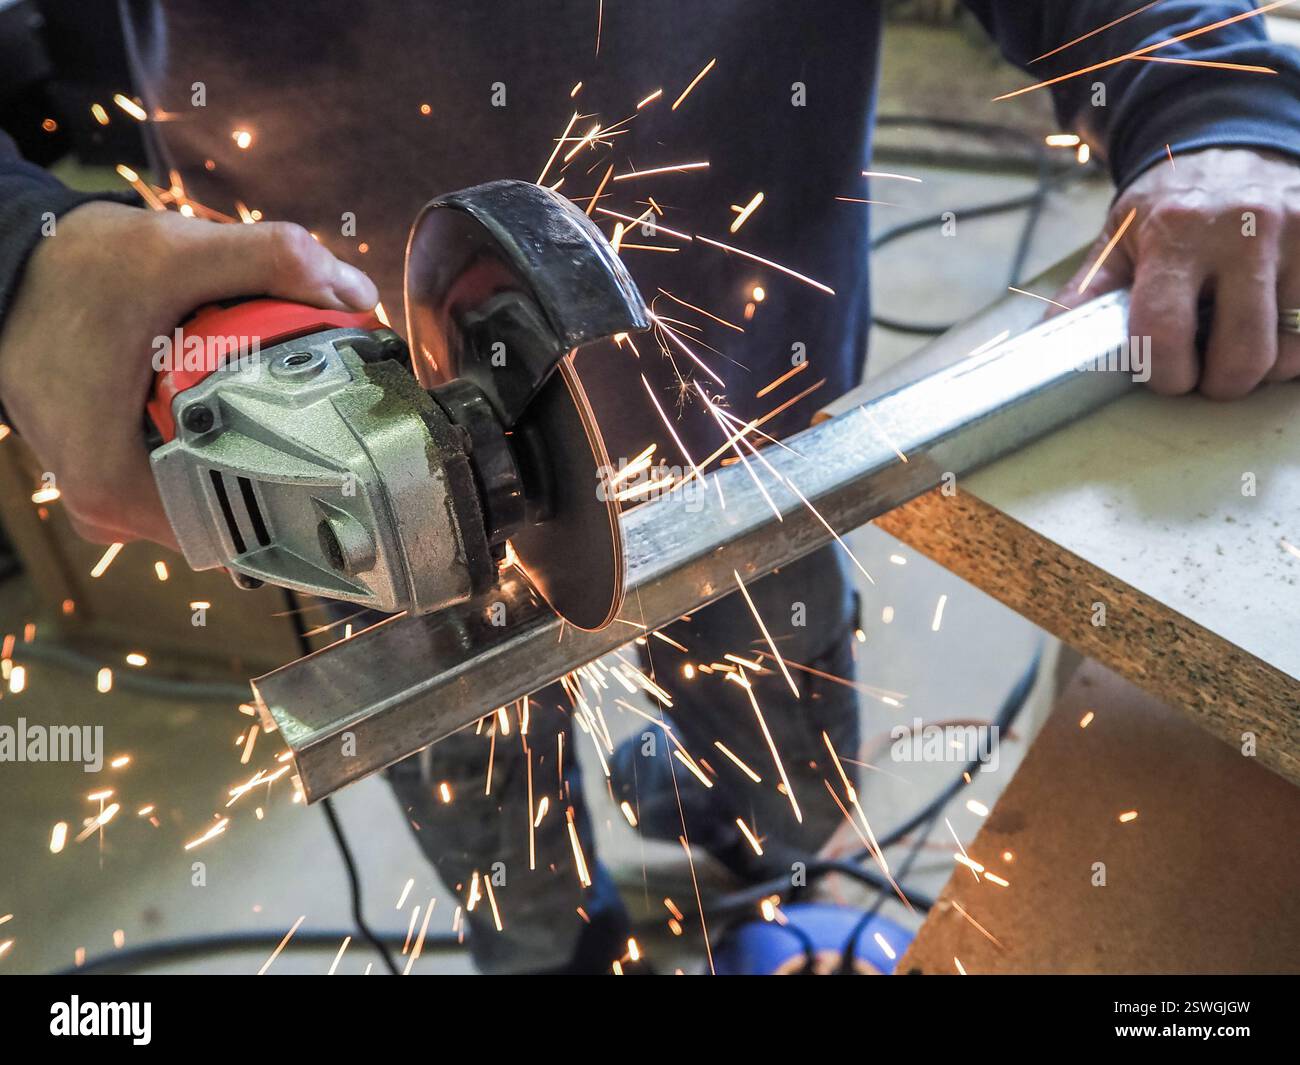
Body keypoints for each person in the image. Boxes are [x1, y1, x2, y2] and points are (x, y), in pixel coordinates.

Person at [1, 1, 1298, 973]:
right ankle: (555, 951)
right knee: (479, 801)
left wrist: (1210, 98)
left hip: (756, 433)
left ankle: (768, 884)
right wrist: (26, 256)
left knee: (780, 706)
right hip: (346, 475)